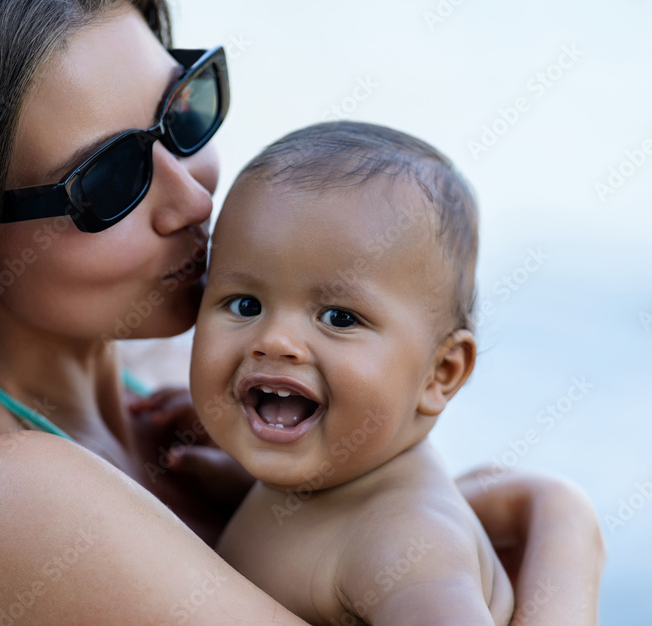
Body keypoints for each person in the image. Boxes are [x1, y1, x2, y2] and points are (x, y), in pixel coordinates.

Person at [0, 0, 603, 624]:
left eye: (181, 115)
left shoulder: (155, 392)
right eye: (112, 176)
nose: (194, 197)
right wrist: (562, 525)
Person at [190, 121, 512, 624]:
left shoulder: (406, 542)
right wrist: (230, 486)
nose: (274, 339)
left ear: (439, 374)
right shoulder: (329, 482)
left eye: (339, 317)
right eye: (246, 303)